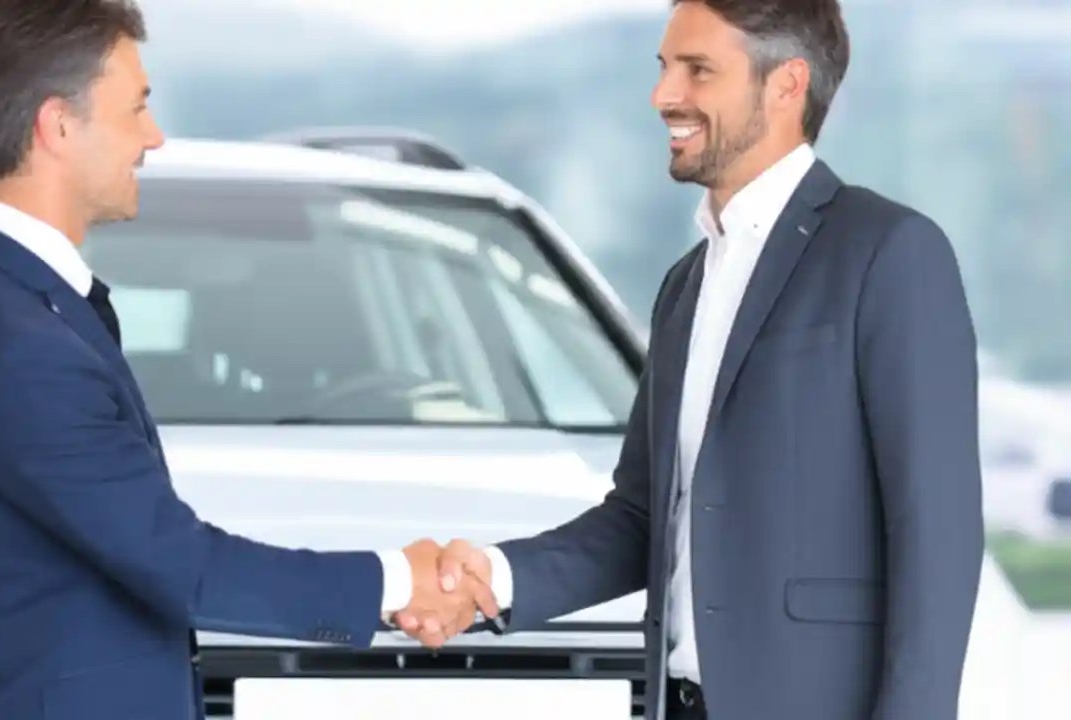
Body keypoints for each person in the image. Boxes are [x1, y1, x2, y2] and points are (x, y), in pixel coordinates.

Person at [0, 2, 489, 718]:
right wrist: (394, 580)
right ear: (59, 125)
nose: (153, 137)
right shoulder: (19, 343)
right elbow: (181, 568)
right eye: (136, 109)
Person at [398, 1, 985, 718]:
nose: (664, 95)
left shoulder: (888, 253)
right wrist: (495, 576)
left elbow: (937, 534)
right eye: (664, 68)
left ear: (787, 84)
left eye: (698, 70)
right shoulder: (686, 283)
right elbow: (643, 518)